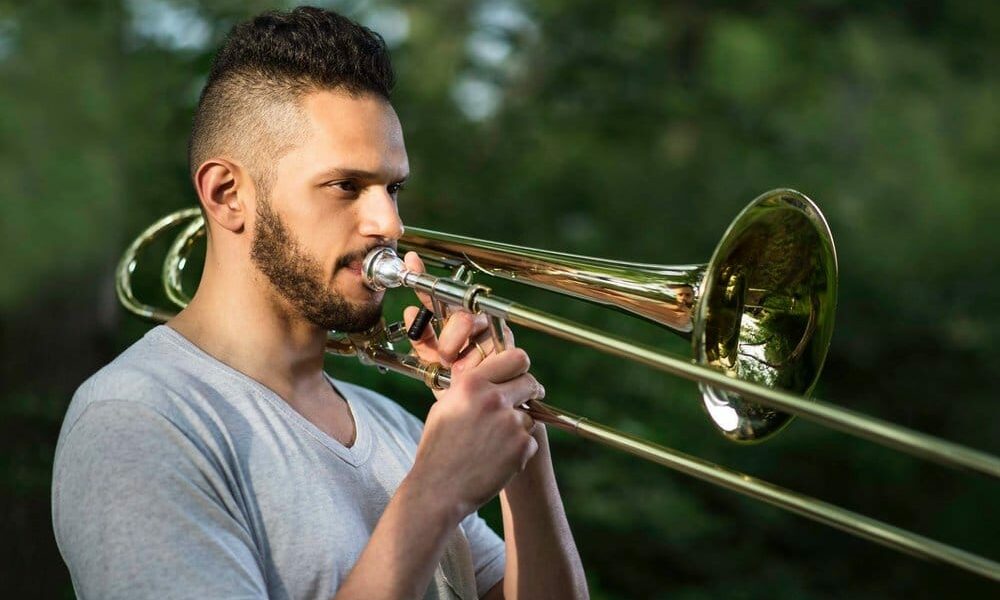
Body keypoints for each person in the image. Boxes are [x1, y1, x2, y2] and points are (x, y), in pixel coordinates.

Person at [51, 7, 588, 600]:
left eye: (393, 188)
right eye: (346, 186)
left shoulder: (397, 429)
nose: (390, 222)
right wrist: (433, 494)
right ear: (228, 194)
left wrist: (524, 446)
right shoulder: (139, 418)